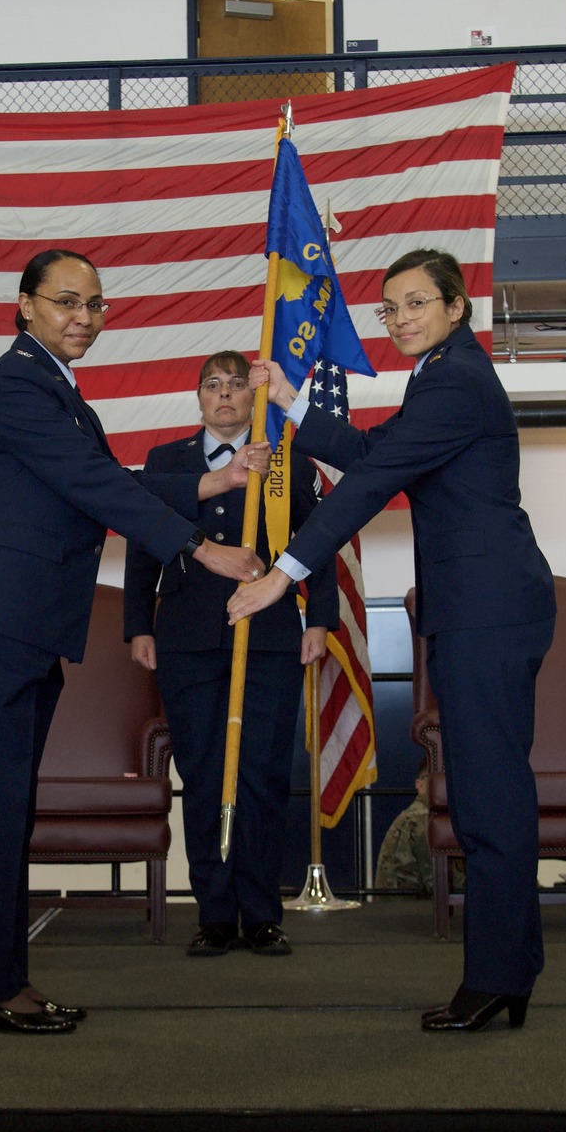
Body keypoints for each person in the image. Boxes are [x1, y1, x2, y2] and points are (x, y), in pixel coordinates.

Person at [0, 249, 266, 1035]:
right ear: (25, 305)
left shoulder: (58, 389)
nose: (84, 317)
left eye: (97, 304)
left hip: (23, 622)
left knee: (8, 807)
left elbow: (105, 474)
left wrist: (211, 481)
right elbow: (91, 480)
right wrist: (201, 544)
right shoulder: (16, 380)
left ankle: (0, 980)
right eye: (67, 301)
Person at [228, 248, 556, 1033]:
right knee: (484, 793)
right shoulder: (442, 376)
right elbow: (378, 454)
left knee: (490, 798)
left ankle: (497, 976)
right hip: (477, 607)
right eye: (391, 308)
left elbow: (373, 485)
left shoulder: (456, 380)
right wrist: (296, 406)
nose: (402, 318)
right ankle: (509, 971)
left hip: (489, 609)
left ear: (454, 306)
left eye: (416, 303)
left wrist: (287, 573)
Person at [125, 351, 336, 958]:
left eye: (237, 385)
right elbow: (144, 546)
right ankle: (215, 915)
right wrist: (139, 624)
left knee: (263, 776)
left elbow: (316, 542)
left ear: (254, 396)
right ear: (198, 398)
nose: (224, 396)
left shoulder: (285, 464)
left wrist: (319, 619)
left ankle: (262, 914)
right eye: (212, 386)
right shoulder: (167, 465)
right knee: (204, 772)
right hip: (188, 640)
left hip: (268, 636)